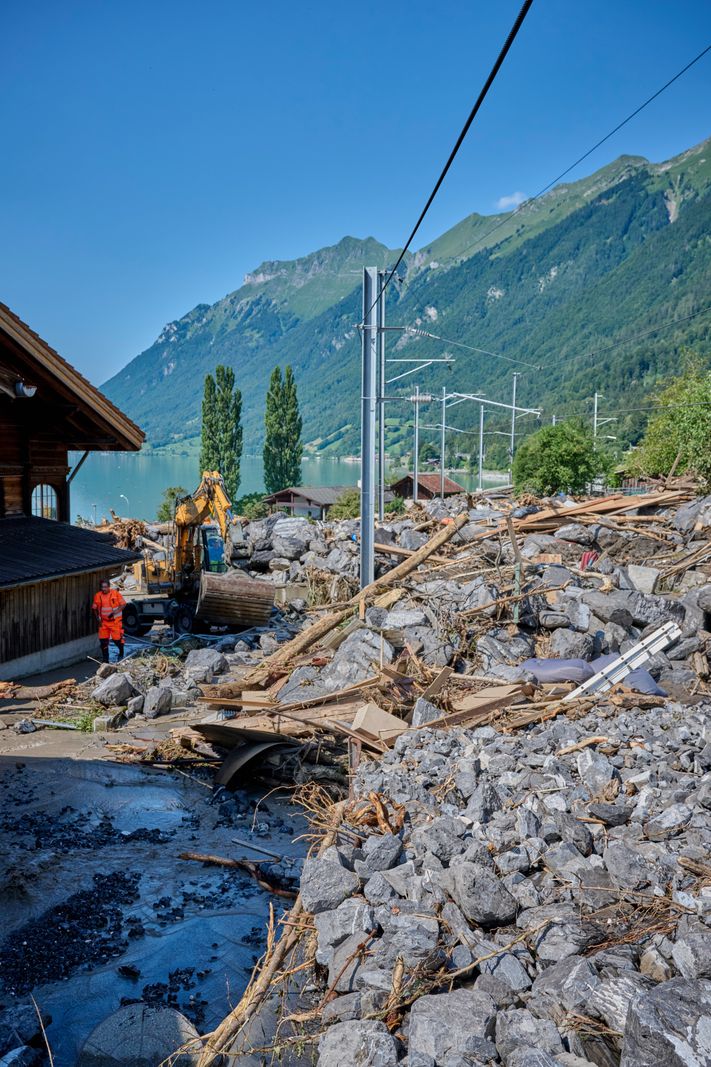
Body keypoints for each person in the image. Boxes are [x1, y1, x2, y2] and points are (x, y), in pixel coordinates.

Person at [92, 579, 126, 662]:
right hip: (103, 623)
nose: (104, 589)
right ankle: (105, 659)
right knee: (103, 642)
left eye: (105, 587)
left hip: (115, 622)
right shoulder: (98, 595)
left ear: (109, 587)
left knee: (117, 640)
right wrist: (98, 619)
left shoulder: (115, 594)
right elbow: (94, 608)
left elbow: (123, 604)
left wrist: (115, 612)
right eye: (102, 587)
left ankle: (121, 653)